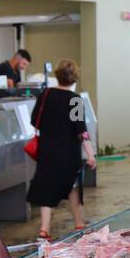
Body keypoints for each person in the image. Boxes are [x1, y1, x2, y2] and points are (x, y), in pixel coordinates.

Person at [27, 59, 96, 240]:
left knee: (46, 187)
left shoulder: (46, 95)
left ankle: (44, 229)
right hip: (68, 154)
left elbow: (34, 121)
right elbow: (81, 131)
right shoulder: (75, 100)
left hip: (47, 151)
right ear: (75, 78)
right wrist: (90, 155)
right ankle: (79, 223)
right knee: (73, 187)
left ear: (57, 76)